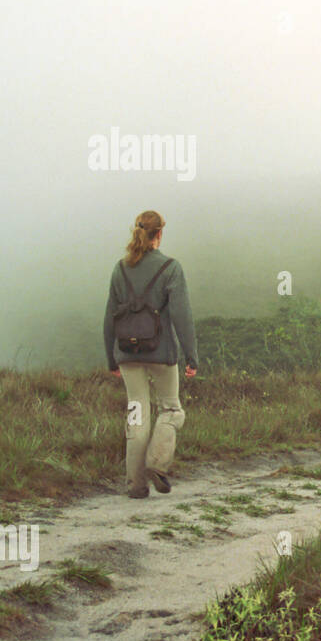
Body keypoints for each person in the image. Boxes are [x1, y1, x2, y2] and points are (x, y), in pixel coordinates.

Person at [103, 211, 199, 499]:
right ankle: (157, 464)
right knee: (170, 410)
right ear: (159, 234)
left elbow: (109, 317)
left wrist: (112, 358)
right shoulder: (171, 268)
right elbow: (182, 316)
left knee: (137, 412)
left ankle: (135, 485)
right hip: (162, 353)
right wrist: (191, 357)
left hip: (127, 354)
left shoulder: (120, 269)